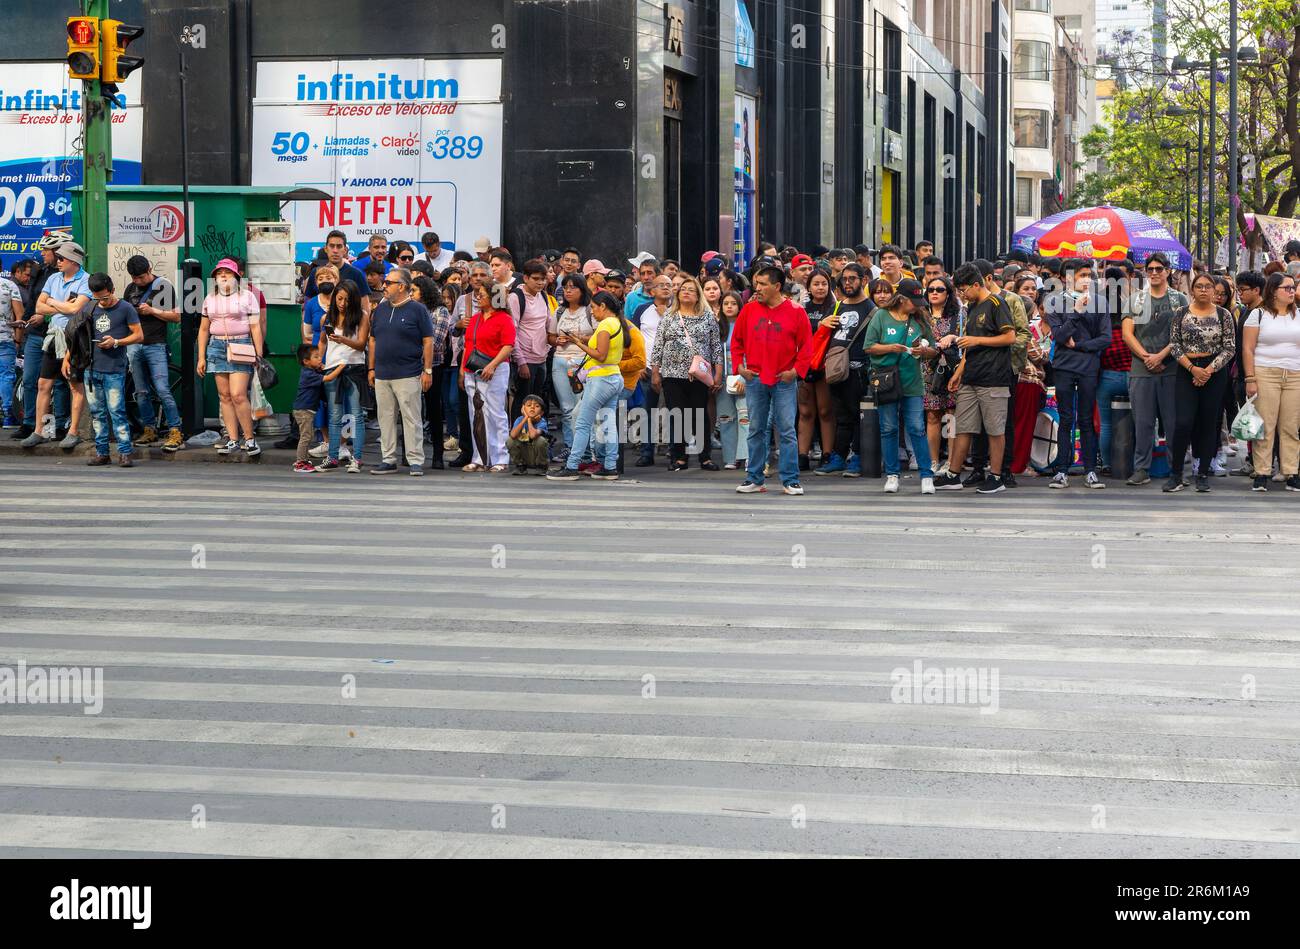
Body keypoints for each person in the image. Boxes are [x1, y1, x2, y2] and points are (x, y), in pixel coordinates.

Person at [730, 264, 813, 495]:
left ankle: (790, 479)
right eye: (757, 283)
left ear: (777, 286)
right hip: (755, 378)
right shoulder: (749, 310)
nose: (757, 288)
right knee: (756, 428)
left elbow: (807, 347)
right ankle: (754, 477)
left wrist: (795, 372)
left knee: (786, 429)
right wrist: (740, 368)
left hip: (784, 380)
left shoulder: (796, 312)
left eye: (763, 284)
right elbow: (736, 342)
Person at [934, 263, 1016, 494]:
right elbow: (969, 344)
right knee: (963, 428)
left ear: (977, 284)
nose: (961, 295)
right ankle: (953, 474)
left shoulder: (997, 304)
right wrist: (959, 372)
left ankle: (997, 476)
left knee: (995, 429)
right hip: (970, 376)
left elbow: (1010, 337)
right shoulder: (971, 307)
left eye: (963, 290)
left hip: (994, 378)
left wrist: (978, 341)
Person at [863, 279, 936, 494]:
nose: (917, 305)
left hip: (912, 381)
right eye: (913, 301)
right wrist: (891, 348)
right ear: (902, 299)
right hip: (886, 381)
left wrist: (924, 351)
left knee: (916, 427)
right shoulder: (881, 316)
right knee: (888, 428)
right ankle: (892, 474)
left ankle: (926, 475)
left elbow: (933, 349)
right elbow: (869, 347)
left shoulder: (919, 319)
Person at [1166, 272, 1237, 493]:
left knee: (1209, 422)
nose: (1204, 290)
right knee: (1183, 422)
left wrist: (1208, 370)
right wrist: (1193, 369)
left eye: (1208, 287)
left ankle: (1203, 473)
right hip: (1187, 369)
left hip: (1214, 372)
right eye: (1199, 286)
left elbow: (1230, 347)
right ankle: (1176, 474)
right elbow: (1175, 345)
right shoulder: (1180, 313)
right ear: (1193, 290)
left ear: (1215, 291)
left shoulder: (1224, 314)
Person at [547, 291, 627, 481]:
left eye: (593, 307)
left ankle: (572, 465)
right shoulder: (616, 323)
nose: (591, 311)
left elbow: (599, 354)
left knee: (583, 423)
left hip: (600, 378)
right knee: (608, 423)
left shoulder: (606, 324)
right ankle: (609, 466)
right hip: (613, 376)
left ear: (603, 307)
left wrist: (578, 343)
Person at [1044, 263, 1110, 489]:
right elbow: (1060, 335)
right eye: (1081, 275)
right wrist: (1077, 312)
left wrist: (1081, 345)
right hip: (1063, 366)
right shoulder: (1054, 302)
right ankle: (1061, 470)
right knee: (1066, 419)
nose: (1086, 279)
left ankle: (1090, 470)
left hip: (1088, 366)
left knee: (1086, 420)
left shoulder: (1100, 302)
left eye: (1088, 275)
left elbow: (1105, 338)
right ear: (1065, 278)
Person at [1122, 252, 1186, 486]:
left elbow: (1183, 333)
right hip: (1141, 369)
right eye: (1150, 269)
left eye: (1159, 269)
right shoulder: (1135, 300)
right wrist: (1147, 357)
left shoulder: (1180, 300)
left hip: (1172, 368)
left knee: (1173, 422)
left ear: (1168, 271)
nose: (1155, 273)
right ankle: (1141, 468)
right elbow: (1127, 334)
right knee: (1143, 422)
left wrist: (1161, 356)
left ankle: (1176, 469)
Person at [649, 274, 724, 470]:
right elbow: (658, 345)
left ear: (698, 295)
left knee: (699, 414)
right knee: (677, 415)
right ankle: (679, 456)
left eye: (691, 290)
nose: (687, 293)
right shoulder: (669, 315)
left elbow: (716, 346)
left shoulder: (707, 317)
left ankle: (704, 457)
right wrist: (655, 372)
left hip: (698, 374)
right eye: (683, 289)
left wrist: (718, 373)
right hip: (672, 374)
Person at [22, 241, 91, 448]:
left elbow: (76, 310)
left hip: (75, 338)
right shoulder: (53, 277)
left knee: (74, 385)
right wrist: (61, 306)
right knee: (44, 384)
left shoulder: (85, 280)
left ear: (73, 260)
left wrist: (52, 303)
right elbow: (39, 307)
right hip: (54, 337)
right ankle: (39, 430)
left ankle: (73, 431)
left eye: (61, 258)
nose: (57, 261)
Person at [368, 268, 435, 476]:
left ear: (402, 286)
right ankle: (388, 459)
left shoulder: (417, 310)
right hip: (382, 373)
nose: (384, 285)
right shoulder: (380, 309)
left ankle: (415, 460)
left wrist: (428, 370)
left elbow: (428, 341)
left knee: (411, 417)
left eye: (389, 282)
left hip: (408, 372)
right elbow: (373, 339)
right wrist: (371, 368)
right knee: (385, 417)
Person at [1241, 272, 1300, 491]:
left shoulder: (1299, 315)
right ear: (1274, 291)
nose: (1292, 291)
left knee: (1291, 426)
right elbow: (1247, 348)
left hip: (1295, 375)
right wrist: (1250, 378)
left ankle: (1290, 472)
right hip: (1265, 373)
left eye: (1293, 287)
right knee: (1265, 425)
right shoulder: (1258, 314)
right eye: (1287, 288)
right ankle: (1262, 472)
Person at [121, 255, 184, 452]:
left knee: (163, 389)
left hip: (155, 345)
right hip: (134, 344)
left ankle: (175, 430)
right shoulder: (130, 289)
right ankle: (149, 428)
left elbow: (176, 316)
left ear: (149, 269)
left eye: (140, 277)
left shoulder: (162, 286)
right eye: (134, 278)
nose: (137, 281)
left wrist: (152, 311)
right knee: (140, 392)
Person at [79, 273, 142, 467]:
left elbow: (138, 335)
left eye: (105, 297)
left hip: (114, 369)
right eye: (98, 298)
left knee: (117, 411)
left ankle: (124, 453)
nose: (102, 302)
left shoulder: (125, 308)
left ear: (113, 290)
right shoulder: (89, 307)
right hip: (91, 368)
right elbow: (77, 335)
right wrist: (68, 360)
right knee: (97, 413)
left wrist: (117, 342)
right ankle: (102, 452)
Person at [819, 264, 873, 477]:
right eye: (845, 279)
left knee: (857, 414)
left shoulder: (871, 309)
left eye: (853, 278)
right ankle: (839, 456)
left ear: (863, 280)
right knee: (841, 415)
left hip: (857, 370)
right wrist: (822, 324)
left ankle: (857, 457)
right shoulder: (838, 306)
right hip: (835, 369)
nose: (848, 282)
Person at [314, 280, 370, 473]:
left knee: (356, 414)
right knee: (334, 415)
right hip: (331, 367)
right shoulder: (327, 318)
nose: (342, 303)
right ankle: (333, 456)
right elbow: (322, 342)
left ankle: (358, 457)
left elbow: (362, 345)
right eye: (339, 299)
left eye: (346, 300)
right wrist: (319, 360)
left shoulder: (362, 316)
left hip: (354, 368)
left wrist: (343, 339)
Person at [460, 281, 516, 472]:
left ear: (494, 297)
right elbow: (467, 346)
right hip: (472, 371)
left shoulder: (504, 319)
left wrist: (492, 365)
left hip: (495, 370)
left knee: (495, 413)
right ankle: (480, 457)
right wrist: (462, 370)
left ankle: (501, 457)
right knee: (476, 415)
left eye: (482, 294)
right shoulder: (475, 319)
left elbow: (508, 345)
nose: (477, 297)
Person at [548, 274, 597, 462]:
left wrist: (579, 338)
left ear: (582, 290)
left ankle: (586, 449)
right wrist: (557, 340)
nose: (568, 291)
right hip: (560, 360)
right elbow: (550, 336)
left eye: (573, 287)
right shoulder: (560, 311)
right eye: (566, 287)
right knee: (567, 408)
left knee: (582, 407)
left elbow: (600, 336)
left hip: (581, 362)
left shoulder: (590, 311)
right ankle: (570, 447)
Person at [410, 275, 453, 469]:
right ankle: (409, 454)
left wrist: (412, 342)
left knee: (434, 411)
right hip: (410, 367)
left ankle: (437, 455)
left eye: (414, 291)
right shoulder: (408, 309)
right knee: (410, 413)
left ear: (424, 292)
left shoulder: (440, 311)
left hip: (433, 367)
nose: (411, 294)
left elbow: (435, 342)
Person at [921, 274, 962, 474]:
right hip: (927, 370)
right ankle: (933, 460)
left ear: (948, 293)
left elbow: (967, 337)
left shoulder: (959, 314)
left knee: (951, 416)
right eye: (931, 289)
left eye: (940, 289)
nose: (935, 293)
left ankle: (952, 460)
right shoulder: (920, 314)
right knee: (932, 416)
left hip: (952, 370)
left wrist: (953, 336)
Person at [631, 273, 673, 466]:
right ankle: (646, 452)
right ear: (652, 290)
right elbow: (634, 338)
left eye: (669, 284)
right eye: (661, 285)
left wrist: (665, 314)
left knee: (675, 411)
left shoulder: (679, 310)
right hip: (647, 368)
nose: (665, 288)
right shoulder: (642, 310)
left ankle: (675, 452)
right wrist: (638, 365)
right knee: (647, 412)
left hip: (674, 369)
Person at [799, 269, 838, 472]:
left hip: (826, 365)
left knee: (825, 411)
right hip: (805, 365)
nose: (820, 287)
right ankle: (802, 455)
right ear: (809, 287)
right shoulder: (801, 308)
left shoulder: (836, 307)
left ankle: (827, 453)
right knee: (805, 412)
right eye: (816, 284)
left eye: (824, 283)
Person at [1096, 265, 1133, 475]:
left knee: (1107, 423)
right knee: (1138, 420)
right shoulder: (1132, 306)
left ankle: (1108, 464)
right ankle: (1133, 461)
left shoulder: (1098, 307)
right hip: (1132, 375)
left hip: (1107, 376)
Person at [508, 259, 554, 421]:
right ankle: (517, 439)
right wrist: (521, 361)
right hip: (525, 359)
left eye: (543, 279)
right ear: (525, 278)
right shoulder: (516, 297)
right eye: (536, 278)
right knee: (522, 402)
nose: (540, 282)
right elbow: (512, 332)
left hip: (542, 357)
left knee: (537, 403)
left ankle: (533, 438)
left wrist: (551, 344)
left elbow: (548, 323)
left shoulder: (543, 295)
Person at [714, 291, 749, 470]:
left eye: (733, 303)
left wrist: (744, 375)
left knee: (745, 416)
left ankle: (747, 455)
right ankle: (730, 457)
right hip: (722, 377)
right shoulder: (717, 327)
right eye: (725, 303)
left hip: (743, 375)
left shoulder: (746, 325)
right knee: (726, 417)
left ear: (739, 306)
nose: (729, 306)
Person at [306, 231, 371, 314]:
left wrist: (362, 326)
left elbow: (365, 307)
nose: (335, 250)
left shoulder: (356, 274)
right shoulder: (316, 272)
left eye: (339, 246)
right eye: (332, 246)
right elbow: (307, 303)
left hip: (348, 325)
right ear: (326, 249)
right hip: (318, 325)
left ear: (345, 250)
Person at [291, 344, 326, 473]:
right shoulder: (308, 374)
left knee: (307, 436)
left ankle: (303, 459)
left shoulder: (311, 371)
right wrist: (340, 367)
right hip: (304, 410)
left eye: (319, 356)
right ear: (306, 361)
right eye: (316, 357)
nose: (319, 359)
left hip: (305, 409)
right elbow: (327, 378)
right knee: (306, 437)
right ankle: (301, 462)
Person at [0, 262, 24, 427]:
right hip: (5, 338)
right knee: (6, 376)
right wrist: (17, 339)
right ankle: (8, 415)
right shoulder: (9, 286)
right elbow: (20, 315)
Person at [508, 394, 550, 474]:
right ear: (523, 409)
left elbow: (533, 435)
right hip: (525, 452)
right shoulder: (519, 420)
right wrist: (525, 418)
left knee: (540, 440)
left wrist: (529, 421)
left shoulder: (542, 422)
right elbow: (513, 435)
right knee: (510, 441)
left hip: (535, 454)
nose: (532, 407)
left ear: (541, 413)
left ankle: (542, 466)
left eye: (537, 406)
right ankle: (520, 466)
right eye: (528, 405)